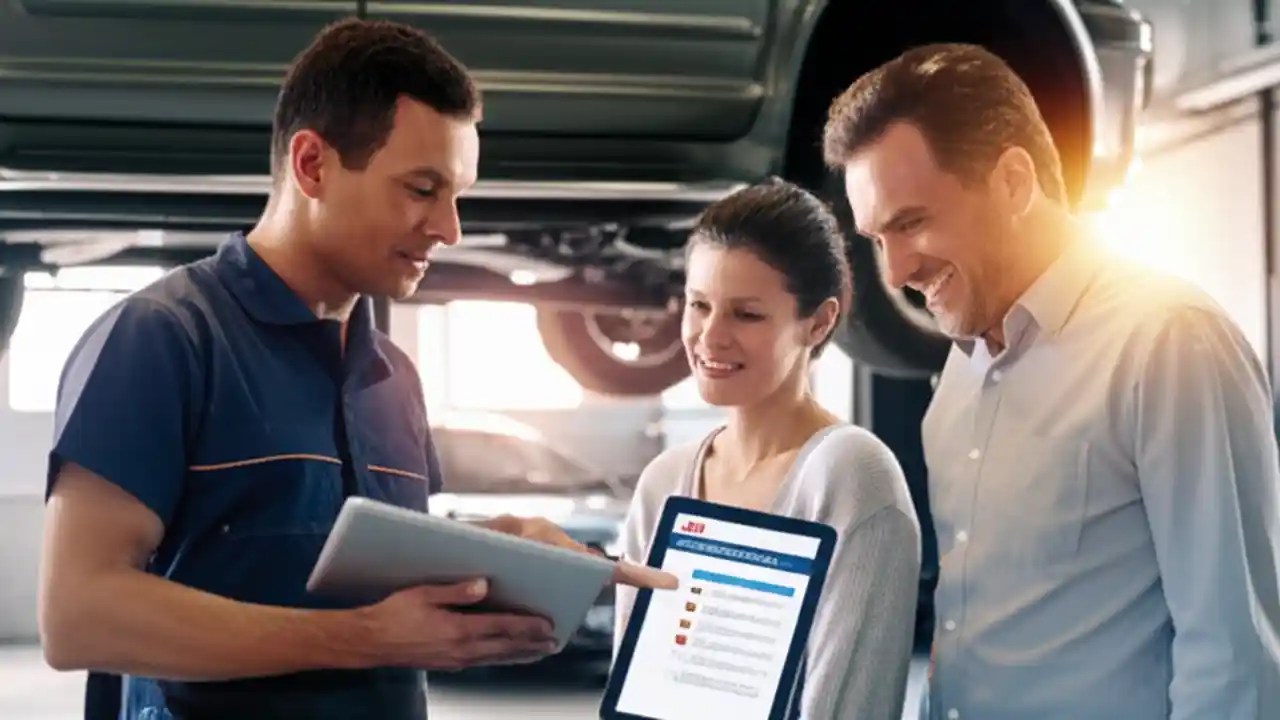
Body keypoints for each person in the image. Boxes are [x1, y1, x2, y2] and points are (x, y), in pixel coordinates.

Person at [37, 17, 675, 720]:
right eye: (422, 188)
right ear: (312, 164)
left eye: (457, 193)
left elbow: (352, 571)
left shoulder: (393, 375)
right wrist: (363, 638)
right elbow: (79, 614)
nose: (450, 228)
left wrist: (500, 551)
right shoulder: (164, 339)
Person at [823, 42, 1280, 720]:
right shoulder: (958, 376)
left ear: (1012, 182)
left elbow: (1233, 655)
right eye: (875, 239)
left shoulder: (1168, 341)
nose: (893, 274)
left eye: (911, 222)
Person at [612, 178, 923, 719]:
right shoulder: (664, 483)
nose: (710, 336)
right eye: (699, 305)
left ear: (820, 321)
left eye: (746, 314)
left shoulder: (850, 476)